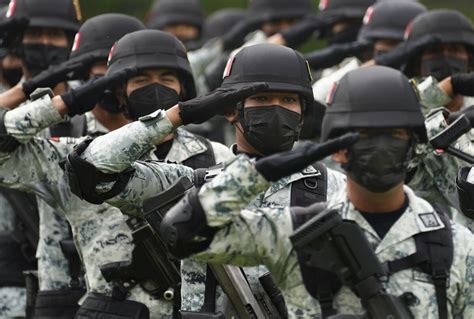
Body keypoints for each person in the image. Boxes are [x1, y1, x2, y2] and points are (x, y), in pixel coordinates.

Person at [159, 66, 474, 318]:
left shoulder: (457, 244)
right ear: (337, 150)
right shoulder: (297, 232)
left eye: (394, 134)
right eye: (363, 136)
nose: (380, 147)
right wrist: (257, 173)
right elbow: (184, 232)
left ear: (414, 146)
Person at [65, 43, 347, 316]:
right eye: (261, 99)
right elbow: (91, 168)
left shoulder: (335, 189)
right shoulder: (193, 185)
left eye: (288, 100)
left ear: (302, 112)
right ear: (230, 109)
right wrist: (179, 115)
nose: (276, 109)